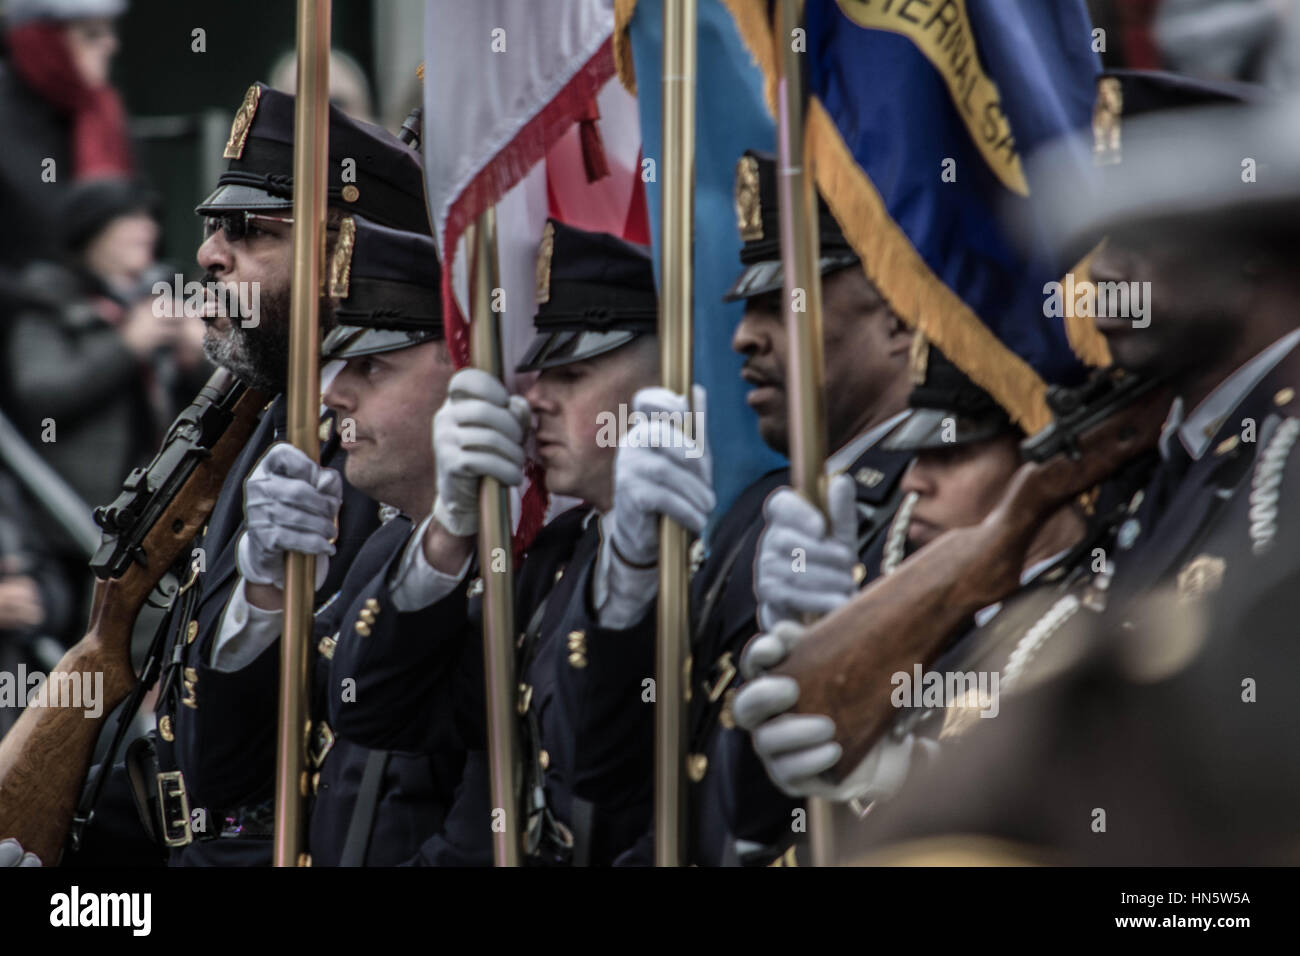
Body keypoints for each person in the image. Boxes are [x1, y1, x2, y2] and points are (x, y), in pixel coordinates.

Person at [62, 81, 431, 867]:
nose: (207, 254)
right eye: (211, 226)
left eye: (249, 230)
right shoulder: (262, 411)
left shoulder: (386, 439)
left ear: (347, 248)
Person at [328, 219, 712, 866]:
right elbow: (375, 708)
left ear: (667, 382)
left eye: (574, 374)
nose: (536, 402)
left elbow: (610, 766)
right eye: (539, 375)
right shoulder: (563, 552)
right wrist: (450, 530)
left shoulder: (714, 556)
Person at [619, 149, 917, 865]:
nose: (744, 337)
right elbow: (612, 763)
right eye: (748, 305)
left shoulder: (940, 509)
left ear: (900, 316)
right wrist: (626, 575)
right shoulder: (756, 509)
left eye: (783, 302)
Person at [197, 215, 472, 866]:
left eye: (371, 365)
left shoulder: (528, 560)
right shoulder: (390, 554)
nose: (332, 392)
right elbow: (228, 776)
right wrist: (263, 596)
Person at [0, 0, 132, 273]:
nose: (111, 45)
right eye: (91, 34)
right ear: (41, 41)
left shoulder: (103, 113)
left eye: (110, 31)